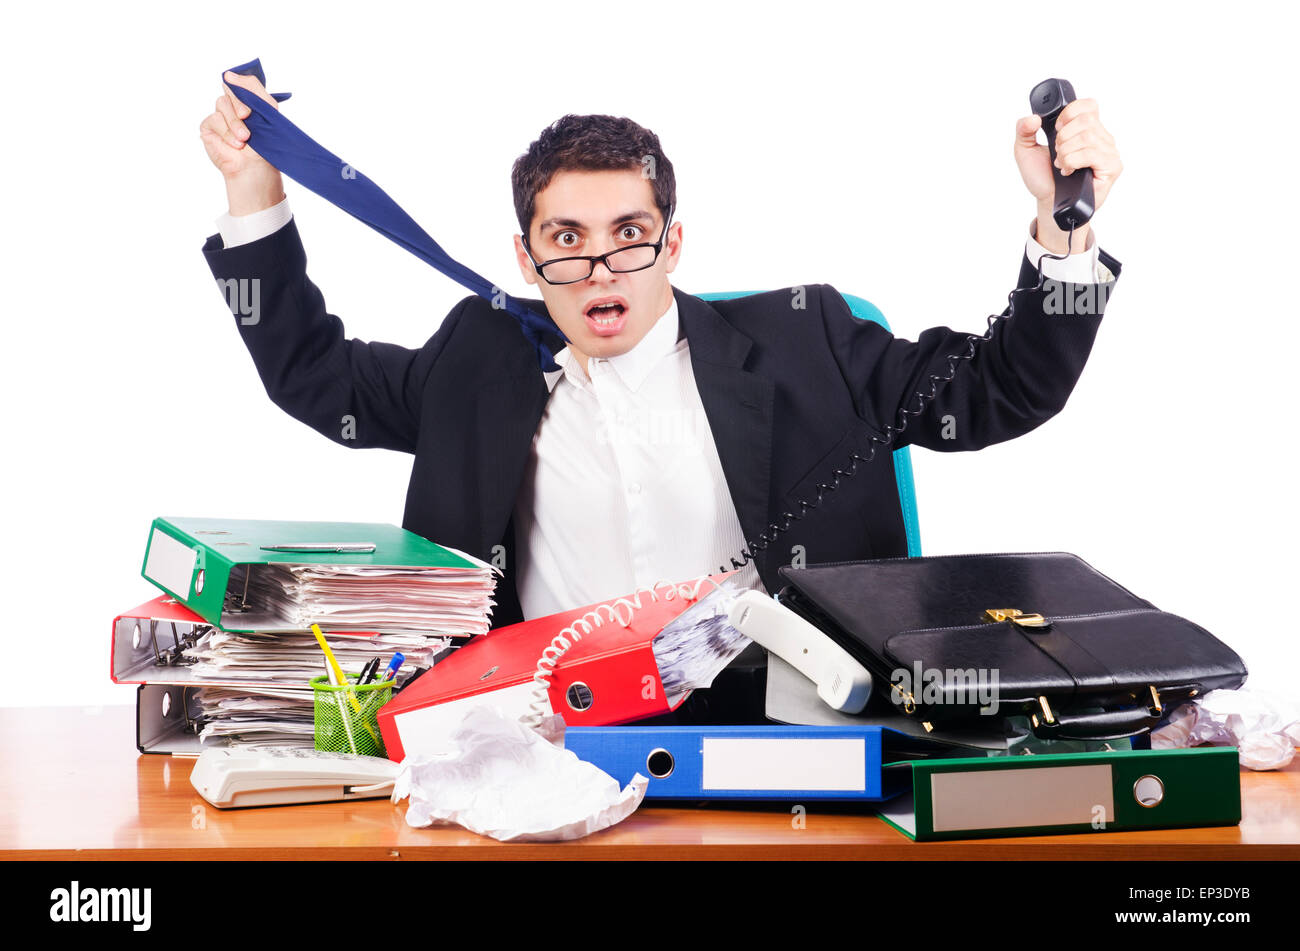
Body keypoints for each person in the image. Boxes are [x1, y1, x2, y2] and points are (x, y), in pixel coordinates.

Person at [199, 71, 1123, 630]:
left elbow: (1006, 389)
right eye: (566, 238)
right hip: (550, 744)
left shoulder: (811, 341)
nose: (602, 266)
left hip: (782, 730)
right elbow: (312, 374)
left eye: (629, 231)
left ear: (673, 245)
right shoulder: (475, 361)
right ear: (525, 257)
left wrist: (1062, 228)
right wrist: (254, 191)